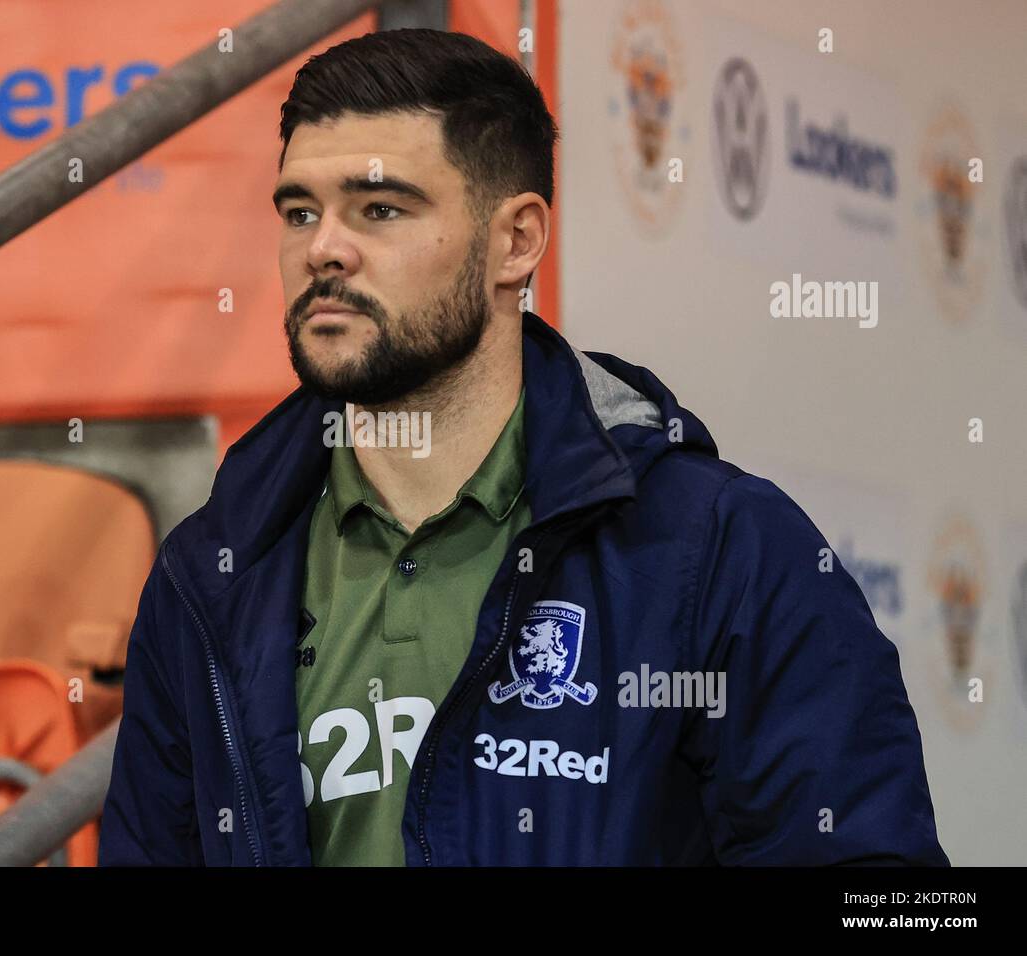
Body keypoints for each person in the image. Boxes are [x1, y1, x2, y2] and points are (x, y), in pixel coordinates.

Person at [98, 28, 947, 866]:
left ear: (517, 242)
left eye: (380, 209)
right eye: (299, 212)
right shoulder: (211, 571)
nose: (323, 248)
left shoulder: (718, 547)